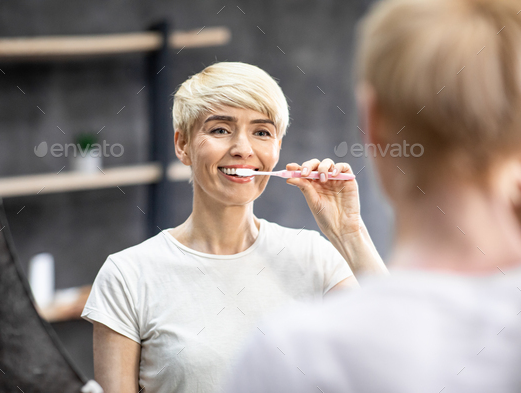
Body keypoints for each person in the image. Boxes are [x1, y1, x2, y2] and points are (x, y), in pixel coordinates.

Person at [223, 0, 521, 392]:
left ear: (371, 122)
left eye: (262, 132)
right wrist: (348, 233)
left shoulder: (294, 355)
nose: (243, 148)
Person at [81, 62, 388, 393]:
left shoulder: (317, 259)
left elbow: (402, 353)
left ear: (277, 148)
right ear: (182, 145)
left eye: (261, 132)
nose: (243, 148)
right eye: (220, 130)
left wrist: (349, 233)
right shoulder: (127, 276)